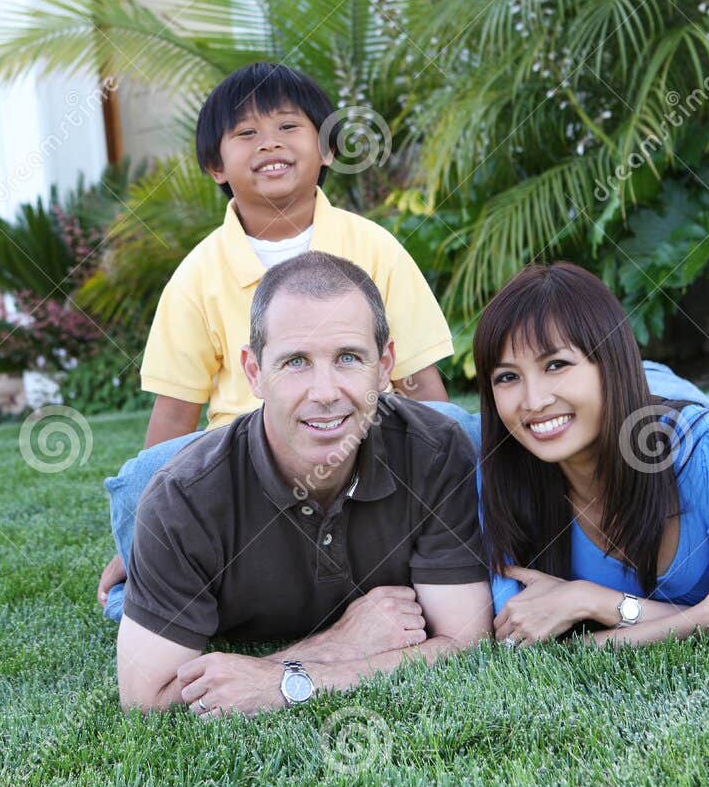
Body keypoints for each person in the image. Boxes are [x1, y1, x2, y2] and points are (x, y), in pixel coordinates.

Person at [98, 62, 455, 619]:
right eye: (245, 133)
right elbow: (174, 417)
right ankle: (155, 578)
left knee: (467, 433)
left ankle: (452, 559)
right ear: (216, 164)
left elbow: (418, 383)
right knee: (143, 476)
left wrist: (447, 464)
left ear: (328, 148)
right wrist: (147, 527)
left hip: (367, 448)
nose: (269, 143)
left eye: (289, 126)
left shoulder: (376, 248)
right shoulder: (197, 274)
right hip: (245, 475)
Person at [117, 253, 492, 714]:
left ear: (385, 364)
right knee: (139, 496)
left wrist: (295, 678)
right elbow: (146, 700)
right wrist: (341, 643)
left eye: (349, 358)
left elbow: (466, 640)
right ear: (254, 372)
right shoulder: (183, 498)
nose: (325, 392)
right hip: (174, 493)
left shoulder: (434, 450)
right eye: (296, 362)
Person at [469, 262, 709, 647]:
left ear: (608, 362)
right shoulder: (498, 471)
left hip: (678, 427)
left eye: (556, 364)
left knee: (706, 422)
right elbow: (520, 633)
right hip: (630, 396)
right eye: (507, 376)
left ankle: (670, 389)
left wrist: (588, 599)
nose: (533, 400)